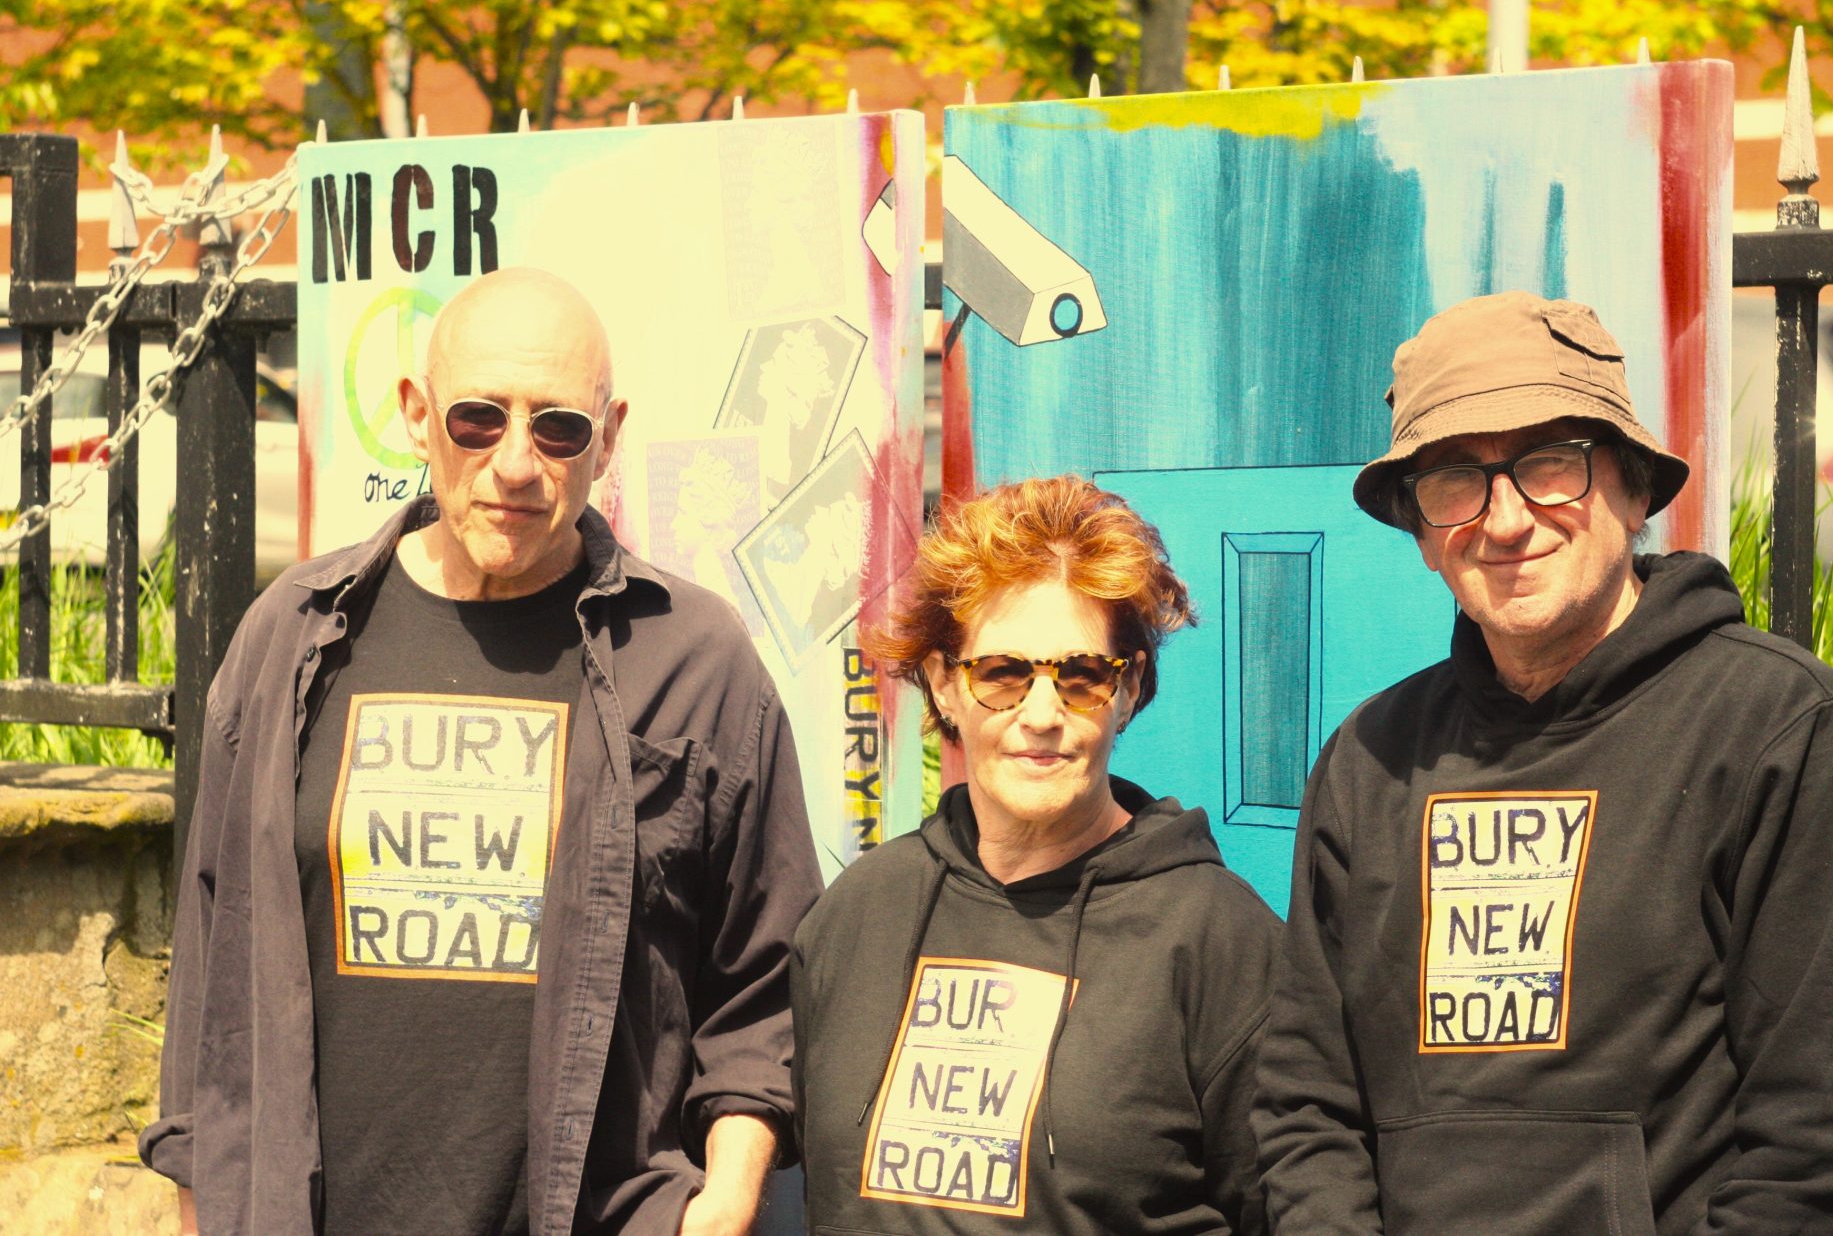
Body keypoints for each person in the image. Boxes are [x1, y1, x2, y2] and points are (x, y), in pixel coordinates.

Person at [141, 267, 823, 1236]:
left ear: (609, 435)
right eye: (476, 419)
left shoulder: (693, 659)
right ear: (417, 416)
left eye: (557, 428)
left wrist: (726, 1199)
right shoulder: (290, 639)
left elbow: (764, 977)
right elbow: (215, 970)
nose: (514, 463)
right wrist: (202, 1206)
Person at [1253, 291, 1833, 1234]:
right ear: (1422, 536)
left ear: (1636, 487)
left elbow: (1819, 1136)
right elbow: (1306, 1099)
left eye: (1551, 465)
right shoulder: (1372, 759)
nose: (1508, 520)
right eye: (1455, 482)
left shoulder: (1777, 730)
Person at [791, 475, 1282, 1233]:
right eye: (1003, 673)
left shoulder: (1221, 943)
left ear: (1129, 690)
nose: (1042, 713)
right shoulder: (856, 916)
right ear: (943, 686)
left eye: (1082, 676)